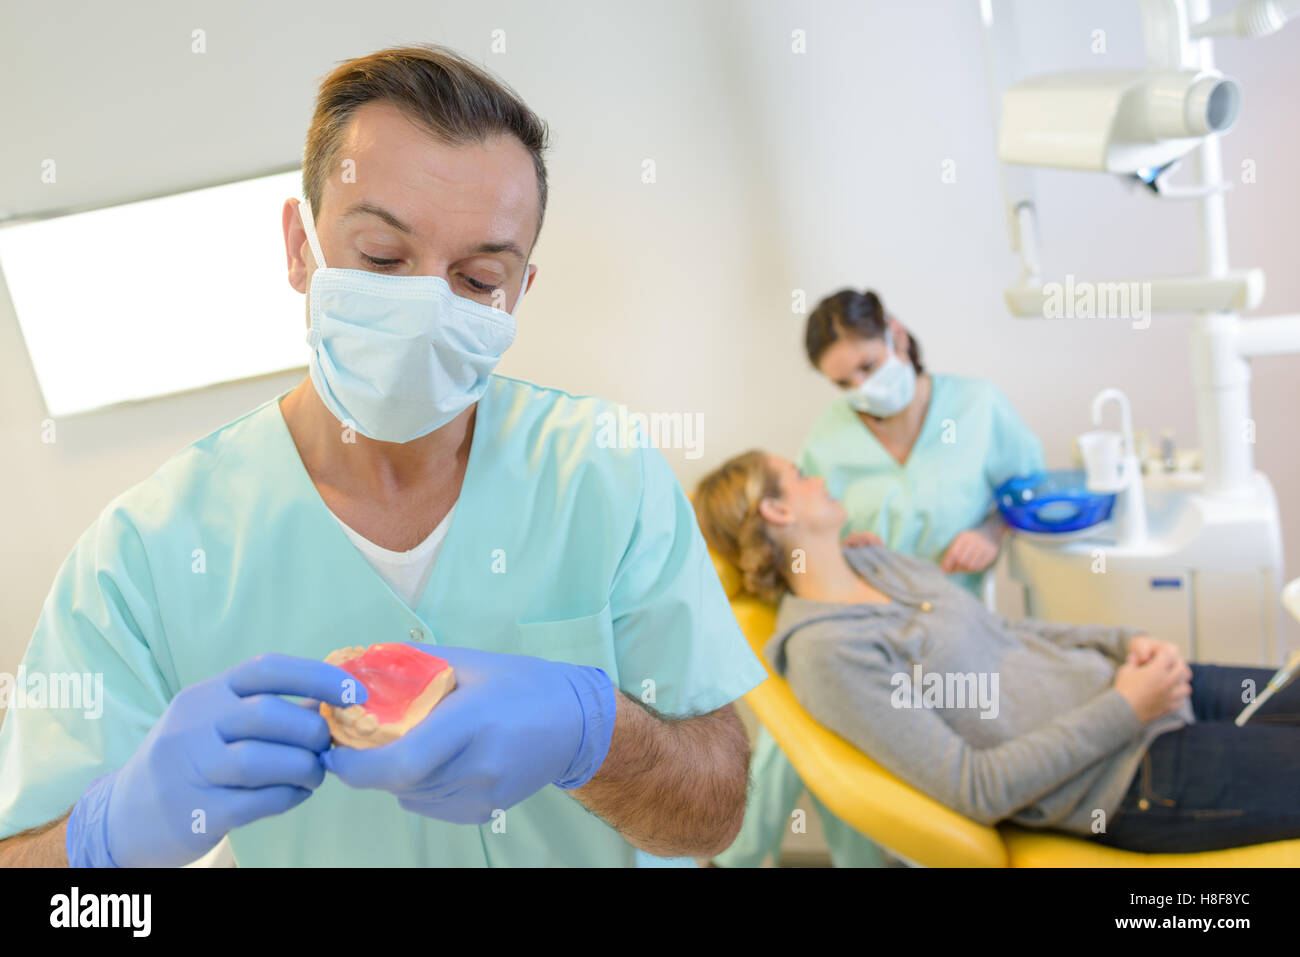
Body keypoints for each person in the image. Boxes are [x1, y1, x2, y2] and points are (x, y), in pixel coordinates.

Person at [0, 44, 767, 868]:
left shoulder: (604, 471)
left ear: (520, 294)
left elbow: (714, 816)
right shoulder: (144, 553)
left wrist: (594, 730)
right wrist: (105, 834)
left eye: (477, 279)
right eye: (381, 258)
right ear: (301, 247)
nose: (426, 306)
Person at [696, 452, 1300, 854]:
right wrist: (1126, 708)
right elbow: (974, 787)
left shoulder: (873, 562)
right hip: (1126, 772)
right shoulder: (829, 652)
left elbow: (1004, 632)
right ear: (777, 510)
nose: (819, 479)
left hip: (1139, 688)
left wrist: (1121, 643)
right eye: (800, 475)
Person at [715, 288, 1046, 867]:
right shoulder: (831, 437)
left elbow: (1030, 492)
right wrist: (845, 545)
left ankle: (727, 860)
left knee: (807, 736)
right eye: (843, 383)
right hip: (854, 624)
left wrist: (991, 532)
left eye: (867, 367)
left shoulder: (977, 408)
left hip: (943, 630)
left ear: (895, 335)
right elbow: (803, 530)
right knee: (812, 734)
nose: (861, 391)